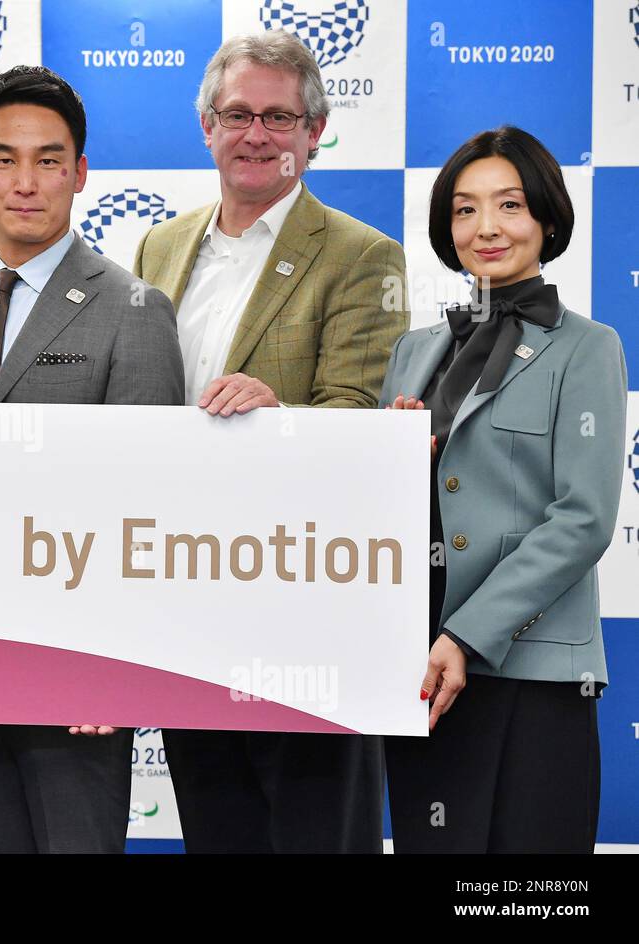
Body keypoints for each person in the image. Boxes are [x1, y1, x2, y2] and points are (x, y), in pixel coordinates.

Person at [0, 65, 184, 854]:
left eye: (49, 160)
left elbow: (150, 506)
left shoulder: (134, 309)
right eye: (4, 158)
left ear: (80, 173)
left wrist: (115, 665)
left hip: (75, 670)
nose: (25, 182)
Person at [132, 31, 408, 853]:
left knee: (317, 835)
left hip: (308, 602)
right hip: (186, 598)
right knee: (217, 830)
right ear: (207, 127)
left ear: (314, 132)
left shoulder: (364, 256)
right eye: (237, 114)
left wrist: (278, 412)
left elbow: (361, 424)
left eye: (279, 117)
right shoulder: (158, 247)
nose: (256, 135)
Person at [382, 126, 625, 853]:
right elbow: (384, 511)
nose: (486, 227)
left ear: (547, 218)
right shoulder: (412, 351)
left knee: (527, 896)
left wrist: (466, 635)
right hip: (420, 669)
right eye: (465, 209)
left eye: (509, 205)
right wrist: (394, 461)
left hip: (532, 667)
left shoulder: (589, 347)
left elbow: (583, 518)